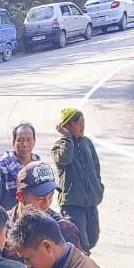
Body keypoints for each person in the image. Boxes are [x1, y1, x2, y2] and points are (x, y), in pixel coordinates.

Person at [51, 108, 104, 253]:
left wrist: (98, 187)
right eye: (78, 123)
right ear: (67, 126)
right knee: (80, 243)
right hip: (72, 204)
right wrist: (67, 137)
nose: (82, 126)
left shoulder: (87, 143)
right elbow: (65, 158)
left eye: (83, 122)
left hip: (90, 202)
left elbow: (96, 168)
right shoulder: (59, 147)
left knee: (93, 238)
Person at [0, 122, 38, 210]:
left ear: (34, 142)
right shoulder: (3, 167)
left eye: (29, 140)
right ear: (14, 143)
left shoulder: (37, 165)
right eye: (20, 140)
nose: (25, 145)